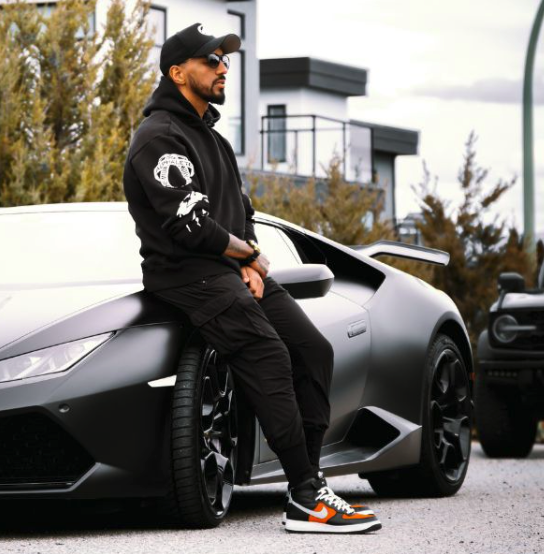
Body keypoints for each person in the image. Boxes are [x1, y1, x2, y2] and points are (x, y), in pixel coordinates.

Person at [121, 22, 381, 534]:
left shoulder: (214, 140)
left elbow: (241, 212)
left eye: (225, 59)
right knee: (268, 354)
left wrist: (245, 259)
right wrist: (251, 258)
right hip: (187, 277)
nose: (223, 68)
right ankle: (306, 495)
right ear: (178, 73)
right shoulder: (159, 139)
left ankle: (309, 484)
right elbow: (190, 224)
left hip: (226, 270)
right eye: (211, 60)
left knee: (313, 350)